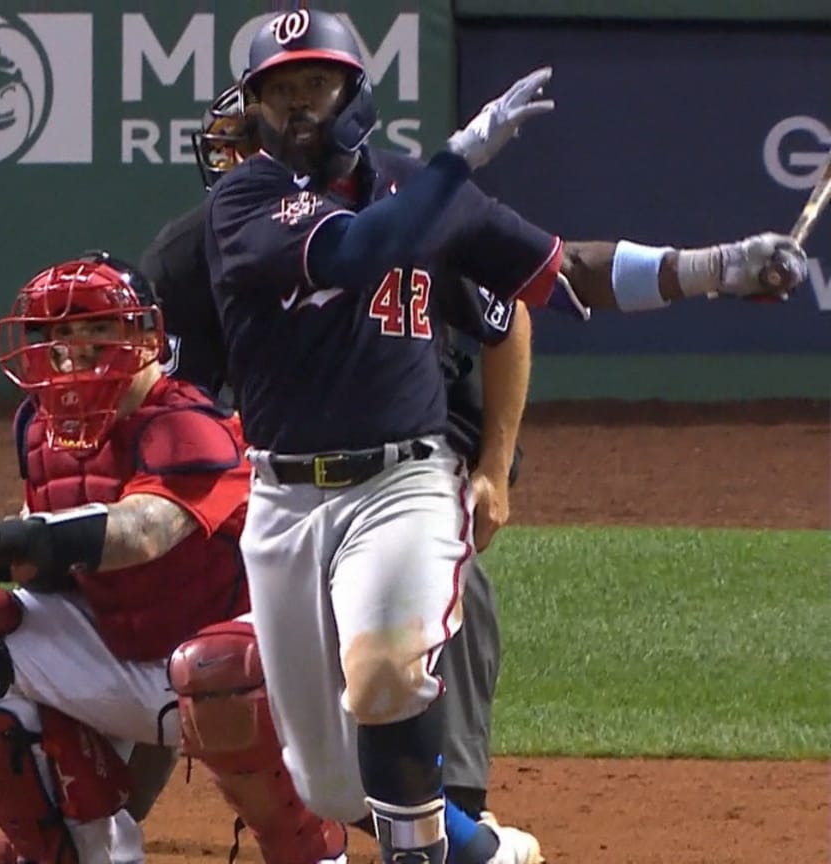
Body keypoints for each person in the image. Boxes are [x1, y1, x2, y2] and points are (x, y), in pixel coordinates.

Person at [204, 9, 808, 864]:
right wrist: (461, 161)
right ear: (255, 106)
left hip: (402, 485)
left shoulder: (422, 190)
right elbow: (353, 252)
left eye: (315, 82)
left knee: (383, 678)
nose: (297, 105)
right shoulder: (243, 201)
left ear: (353, 91)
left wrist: (717, 267)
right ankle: (475, 852)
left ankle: (425, 855)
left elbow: (564, 274)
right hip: (284, 503)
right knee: (333, 788)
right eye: (279, 89)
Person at [138, 79, 528, 828]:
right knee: (175, 597)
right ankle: (106, 818)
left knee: (455, 591)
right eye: (244, 146)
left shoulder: (394, 215)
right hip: (273, 462)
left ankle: (460, 805)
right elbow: (178, 406)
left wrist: (493, 469)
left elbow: (508, 318)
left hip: (419, 437)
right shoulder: (193, 253)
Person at [0, 251, 350, 864]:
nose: (74, 348)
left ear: (142, 340)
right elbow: (54, 571)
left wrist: (4, 541)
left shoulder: (187, 423)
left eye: (95, 329)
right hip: (125, 653)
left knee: (217, 668)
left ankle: (311, 852)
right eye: (61, 333)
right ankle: (77, 851)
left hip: (255, 668)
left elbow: (141, 533)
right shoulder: (37, 427)